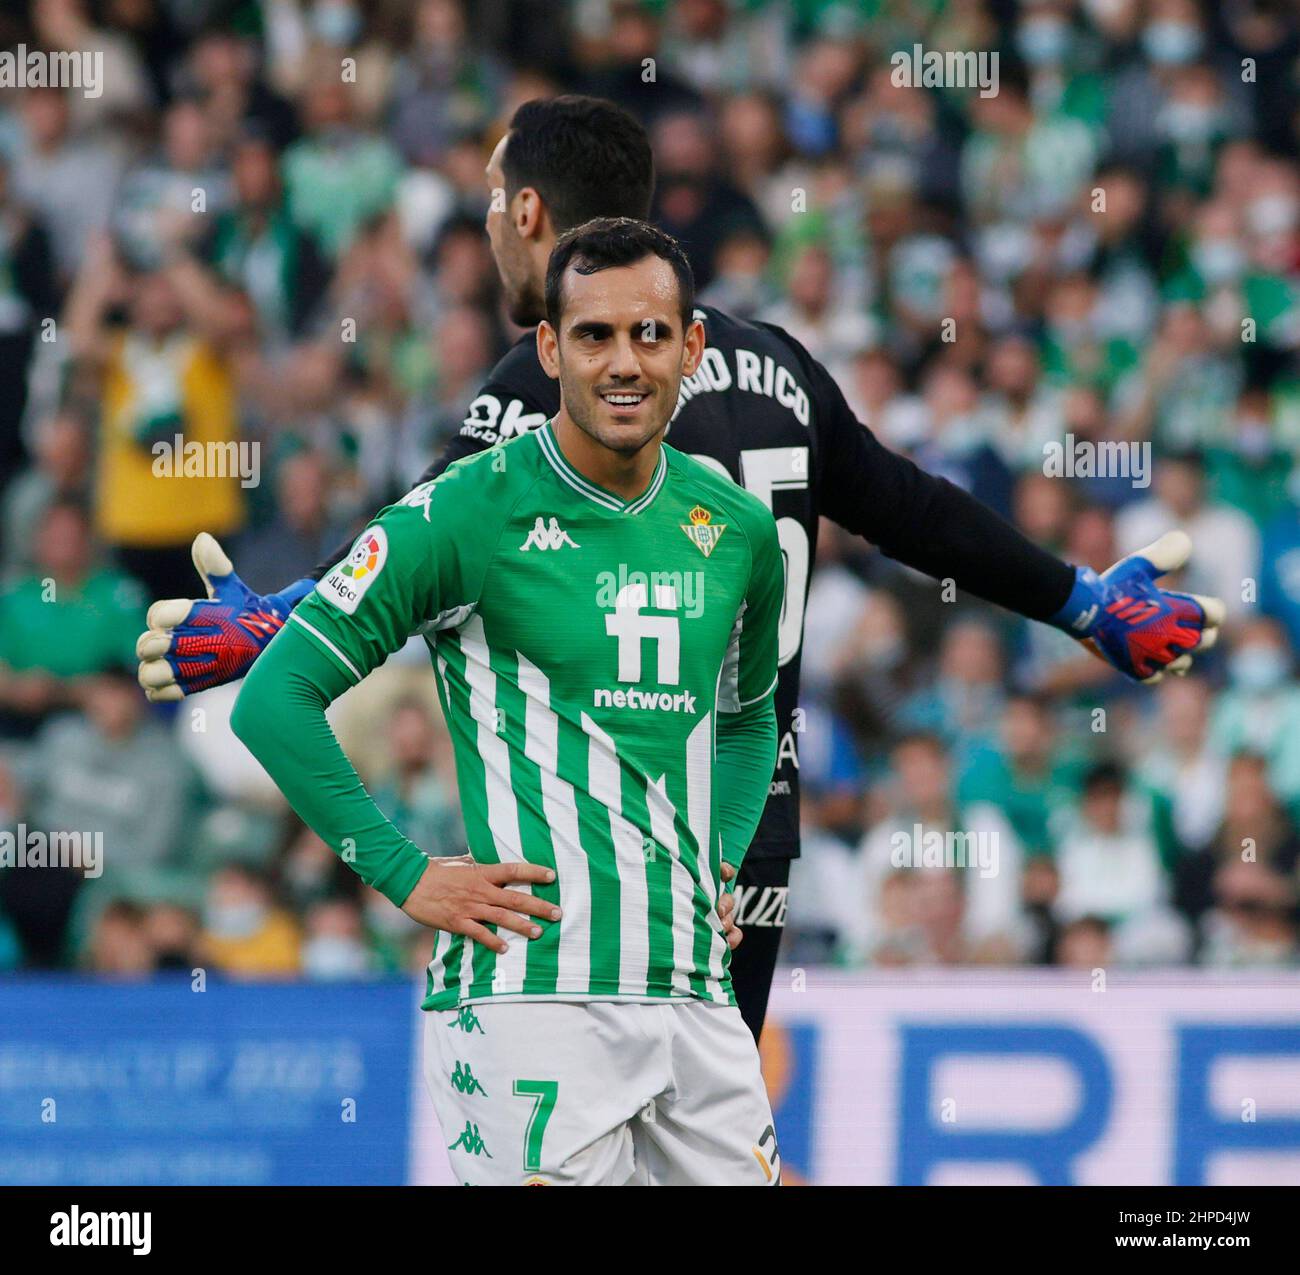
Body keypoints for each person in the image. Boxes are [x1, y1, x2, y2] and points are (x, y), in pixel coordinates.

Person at [139, 95, 1225, 1043]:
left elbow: (410, 542)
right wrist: (1077, 600)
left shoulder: (555, 374)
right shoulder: (778, 362)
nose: (486, 227)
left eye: (490, 201)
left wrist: (282, 619)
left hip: (606, 846)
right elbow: (913, 512)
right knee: (706, 1134)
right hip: (749, 835)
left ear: (526, 214)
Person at [230, 218, 783, 1185]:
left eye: (650, 335)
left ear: (691, 347)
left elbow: (747, 715)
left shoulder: (735, 525)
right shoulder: (466, 509)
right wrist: (405, 873)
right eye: (595, 335)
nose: (624, 362)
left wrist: (721, 858)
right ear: (549, 348)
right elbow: (273, 700)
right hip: (531, 998)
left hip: (696, 992)